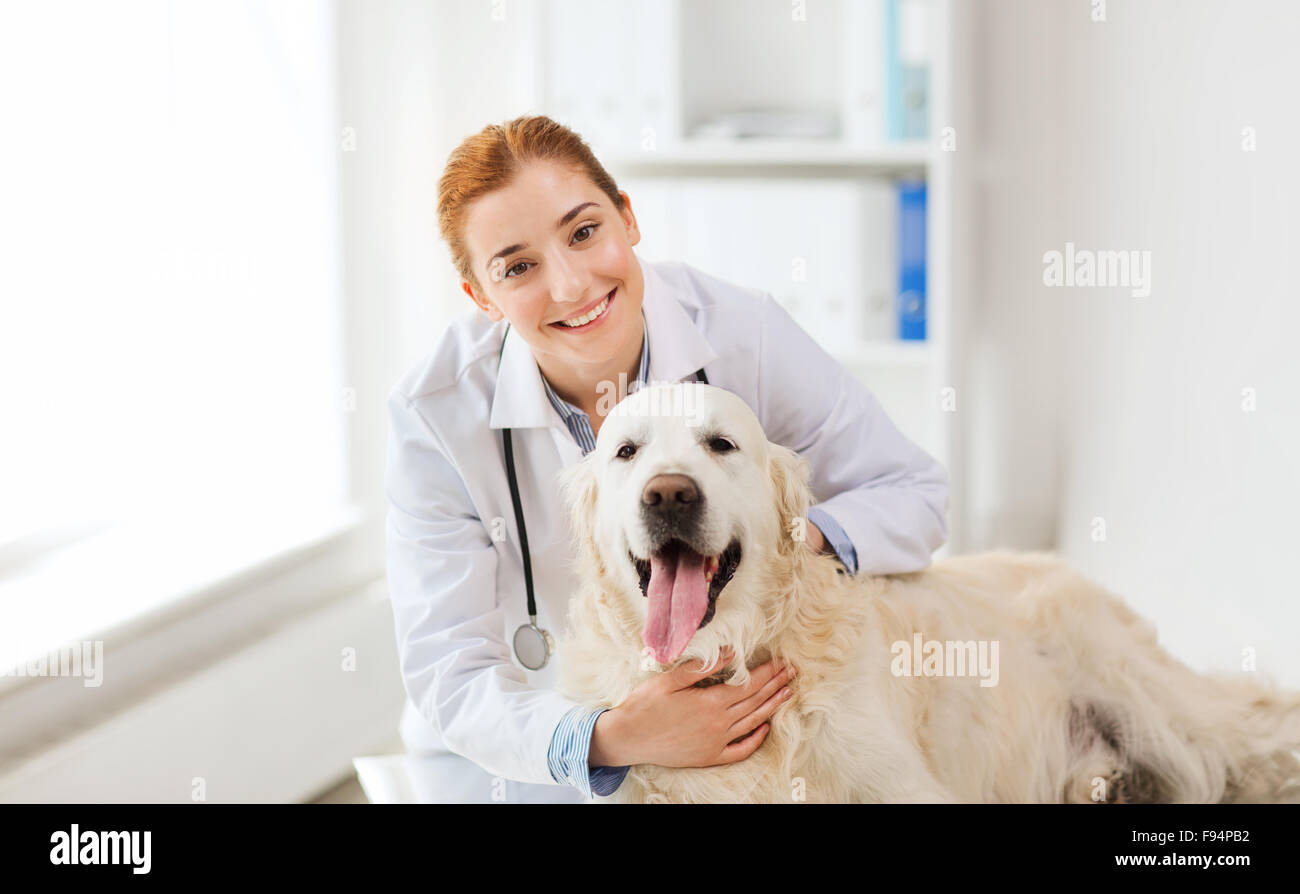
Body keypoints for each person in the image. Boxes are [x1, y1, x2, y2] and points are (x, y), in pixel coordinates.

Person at [385, 114, 949, 803]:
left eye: (584, 231)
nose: (570, 285)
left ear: (628, 219)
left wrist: (789, 536)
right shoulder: (434, 414)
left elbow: (915, 490)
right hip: (521, 749)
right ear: (482, 296)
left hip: (731, 725)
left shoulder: (746, 333)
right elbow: (450, 668)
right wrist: (613, 737)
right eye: (519, 267)